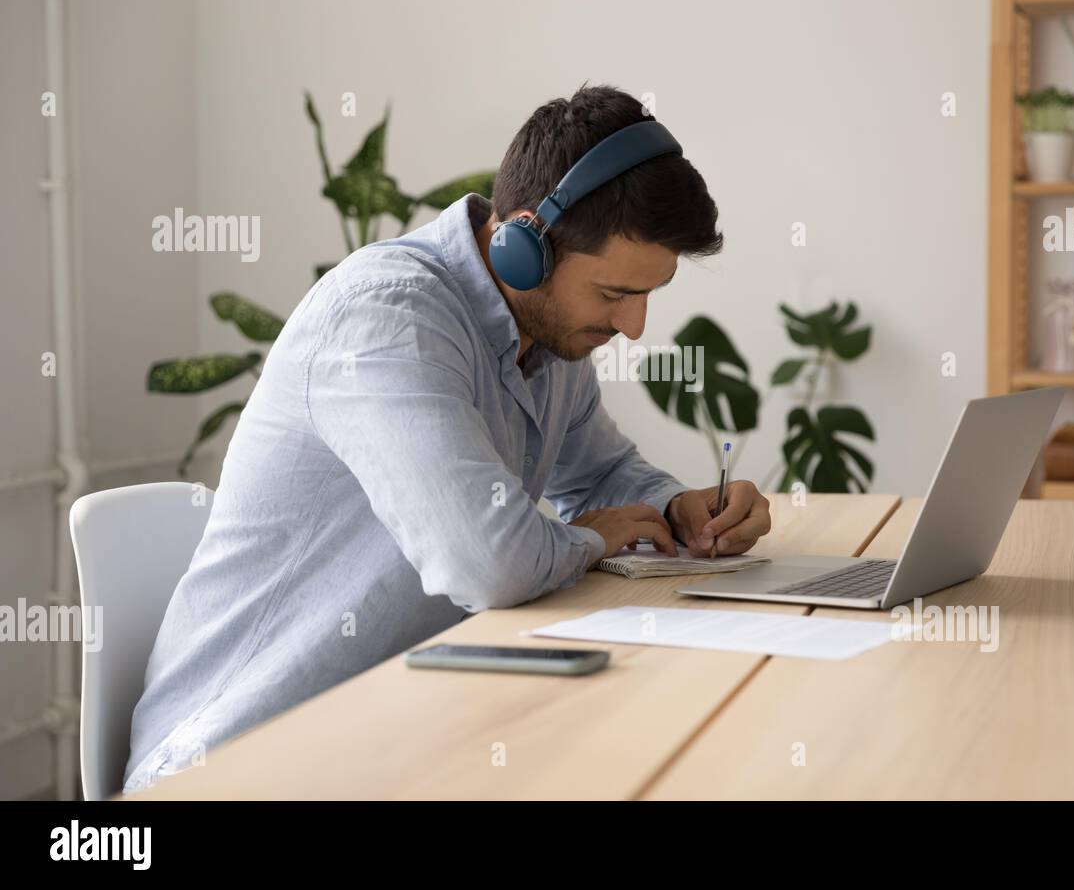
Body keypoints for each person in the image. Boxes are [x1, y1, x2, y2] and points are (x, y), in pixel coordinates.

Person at [123, 83, 771, 794]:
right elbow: (487, 565)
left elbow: (602, 472)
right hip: (238, 762)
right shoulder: (385, 319)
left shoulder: (550, 336)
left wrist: (678, 506)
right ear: (527, 244)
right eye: (616, 294)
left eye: (650, 294)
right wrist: (593, 538)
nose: (634, 326)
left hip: (398, 734)